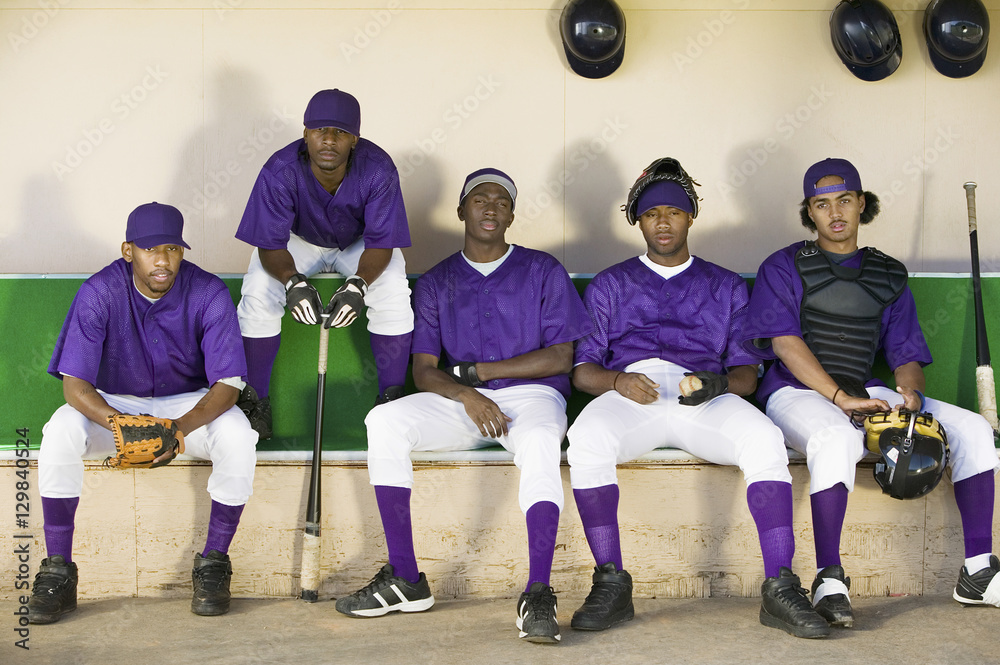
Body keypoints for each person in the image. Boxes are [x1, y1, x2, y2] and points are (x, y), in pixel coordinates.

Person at [566, 158, 830, 639]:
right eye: (651, 214)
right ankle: (610, 583)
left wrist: (720, 384)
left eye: (673, 211)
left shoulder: (725, 284)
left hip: (702, 395)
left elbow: (748, 373)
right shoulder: (610, 283)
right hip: (633, 393)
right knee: (585, 437)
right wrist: (616, 382)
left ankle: (780, 586)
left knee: (763, 438)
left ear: (690, 217)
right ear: (638, 221)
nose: (662, 221)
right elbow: (582, 371)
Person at [334, 168, 593, 644]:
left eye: (501, 201)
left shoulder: (542, 269)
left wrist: (480, 376)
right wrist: (467, 394)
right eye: (479, 199)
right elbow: (424, 370)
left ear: (512, 214)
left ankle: (538, 590)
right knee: (384, 421)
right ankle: (406, 578)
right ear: (461, 211)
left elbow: (560, 357)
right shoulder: (436, 281)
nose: (490, 207)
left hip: (532, 396)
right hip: (461, 400)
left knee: (538, 443)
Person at [743, 157, 1000, 628]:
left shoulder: (887, 273)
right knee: (837, 438)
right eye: (822, 204)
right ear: (810, 212)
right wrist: (841, 401)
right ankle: (828, 579)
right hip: (794, 391)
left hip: (865, 388)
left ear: (862, 204)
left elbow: (906, 353)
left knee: (975, 429)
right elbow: (784, 343)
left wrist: (912, 397)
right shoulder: (783, 265)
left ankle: (978, 572)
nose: (835, 212)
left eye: (844, 200)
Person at [28, 203, 258, 623]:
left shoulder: (207, 291)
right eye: (151, 249)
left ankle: (213, 563)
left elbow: (229, 384)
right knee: (59, 431)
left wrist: (177, 429)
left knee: (240, 436)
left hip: (189, 407)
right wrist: (120, 424)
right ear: (128, 250)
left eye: (172, 248)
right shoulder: (99, 291)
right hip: (114, 405)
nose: (163, 260)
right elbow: (75, 387)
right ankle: (58, 570)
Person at [234, 89, 414, 439]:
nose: (329, 140)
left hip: (360, 244)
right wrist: (292, 282)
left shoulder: (378, 169)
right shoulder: (280, 170)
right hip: (297, 243)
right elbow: (269, 244)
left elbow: (382, 243)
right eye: (320, 130)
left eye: (341, 132)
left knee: (393, 288)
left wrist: (359, 284)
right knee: (258, 287)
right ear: (305, 133)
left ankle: (392, 401)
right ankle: (254, 400)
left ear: (355, 139)